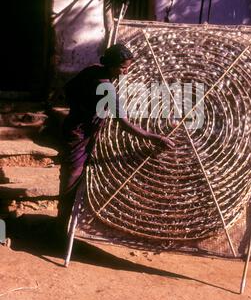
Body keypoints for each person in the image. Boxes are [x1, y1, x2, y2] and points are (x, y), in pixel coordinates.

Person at [57, 43, 174, 236]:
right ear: (111, 65)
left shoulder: (92, 70)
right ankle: (60, 227)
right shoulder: (106, 87)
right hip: (79, 133)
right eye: (122, 67)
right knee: (74, 175)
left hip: (74, 125)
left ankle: (63, 222)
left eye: (128, 67)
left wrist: (82, 107)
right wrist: (151, 136)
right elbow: (123, 122)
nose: (126, 71)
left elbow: (67, 90)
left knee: (72, 173)